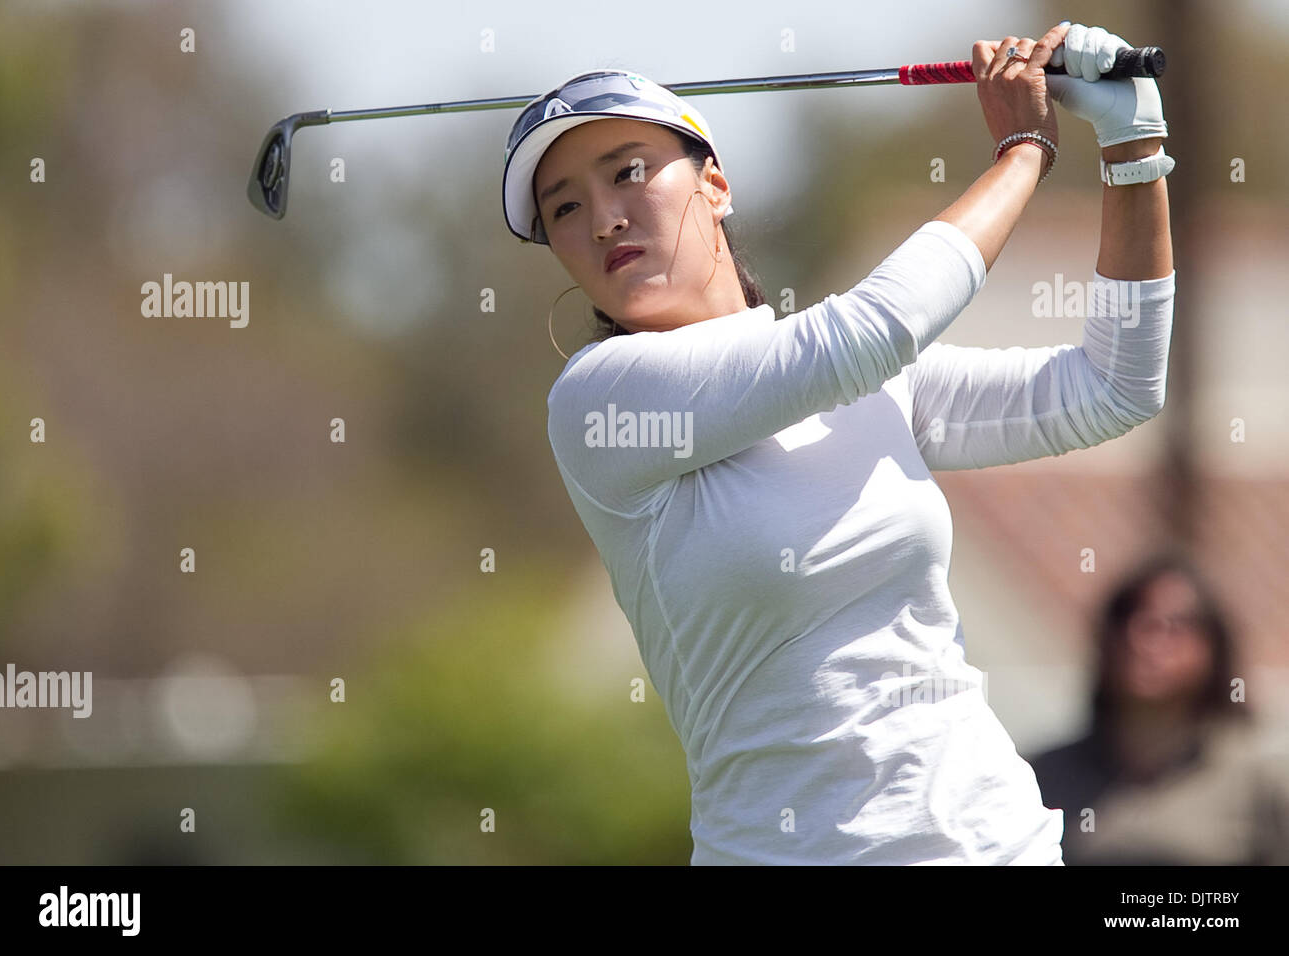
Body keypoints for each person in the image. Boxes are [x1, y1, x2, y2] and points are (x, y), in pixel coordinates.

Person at [502, 21, 1176, 864]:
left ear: (715, 185)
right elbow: (871, 330)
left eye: (629, 172)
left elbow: (1112, 388)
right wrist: (1024, 149)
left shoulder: (861, 378)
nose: (603, 218)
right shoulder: (602, 403)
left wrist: (1133, 146)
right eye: (564, 207)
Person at [1028, 552, 1289, 865]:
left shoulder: (1259, 785)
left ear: (1214, 649)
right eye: (1131, 618)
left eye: (1176, 625)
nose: (1145, 640)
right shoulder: (1041, 777)